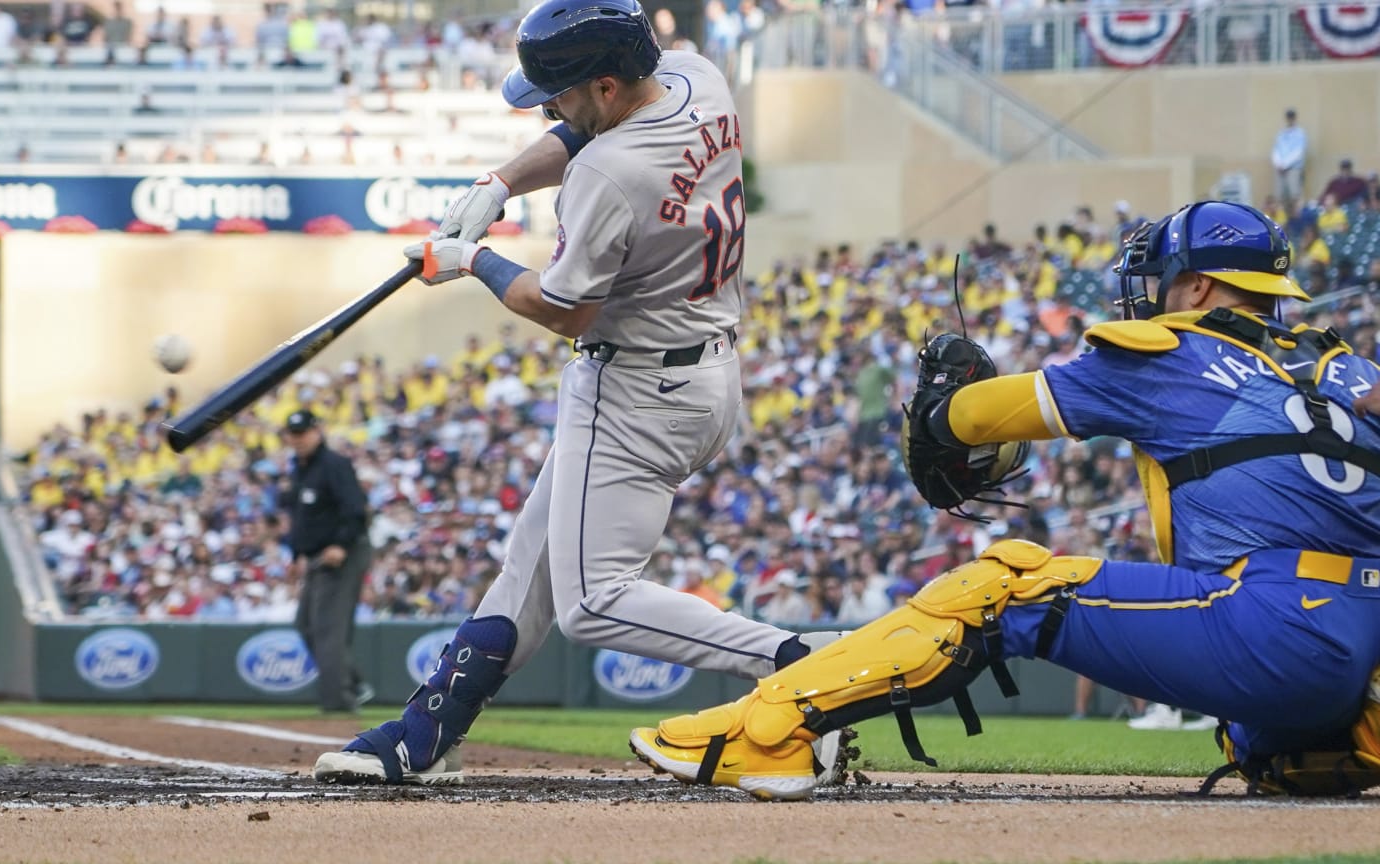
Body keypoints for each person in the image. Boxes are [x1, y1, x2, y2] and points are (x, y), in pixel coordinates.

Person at [630, 200, 1380, 800]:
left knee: (1007, 584)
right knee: (1269, 740)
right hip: (1365, 654)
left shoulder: (1175, 351)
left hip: (1278, 629)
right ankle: (1303, 739)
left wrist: (938, 409)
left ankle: (763, 736)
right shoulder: (1348, 372)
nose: (1152, 296)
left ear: (1201, 288)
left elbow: (976, 419)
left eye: (1163, 281)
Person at [312, 0, 850, 788]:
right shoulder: (695, 78)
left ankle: (801, 666)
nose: (549, 107)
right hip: (701, 371)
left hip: (633, 385)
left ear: (604, 83)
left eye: (559, 91)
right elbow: (581, 130)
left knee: (593, 601)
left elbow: (563, 307)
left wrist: (473, 261)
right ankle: (424, 733)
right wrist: (499, 183)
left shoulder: (608, 174)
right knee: (528, 568)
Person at [283, 410, 375, 713]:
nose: (298, 439)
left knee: (327, 628)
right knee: (306, 624)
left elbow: (355, 509)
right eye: (293, 434)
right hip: (315, 556)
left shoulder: (334, 464)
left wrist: (341, 544)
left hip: (342, 554)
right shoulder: (300, 467)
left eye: (303, 433)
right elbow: (301, 519)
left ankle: (339, 701)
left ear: (316, 432)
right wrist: (296, 554)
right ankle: (354, 683)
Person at [1271, 108, 1307, 216]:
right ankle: (1283, 220)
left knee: (1294, 195)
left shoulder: (1300, 133)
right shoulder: (1281, 134)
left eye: (1291, 117)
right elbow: (1276, 150)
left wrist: (1286, 164)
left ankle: (1297, 218)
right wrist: (1278, 163)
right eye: (1288, 117)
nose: (1290, 119)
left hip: (1293, 168)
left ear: (1294, 118)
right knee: (1279, 196)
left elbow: (1299, 152)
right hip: (1280, 168)